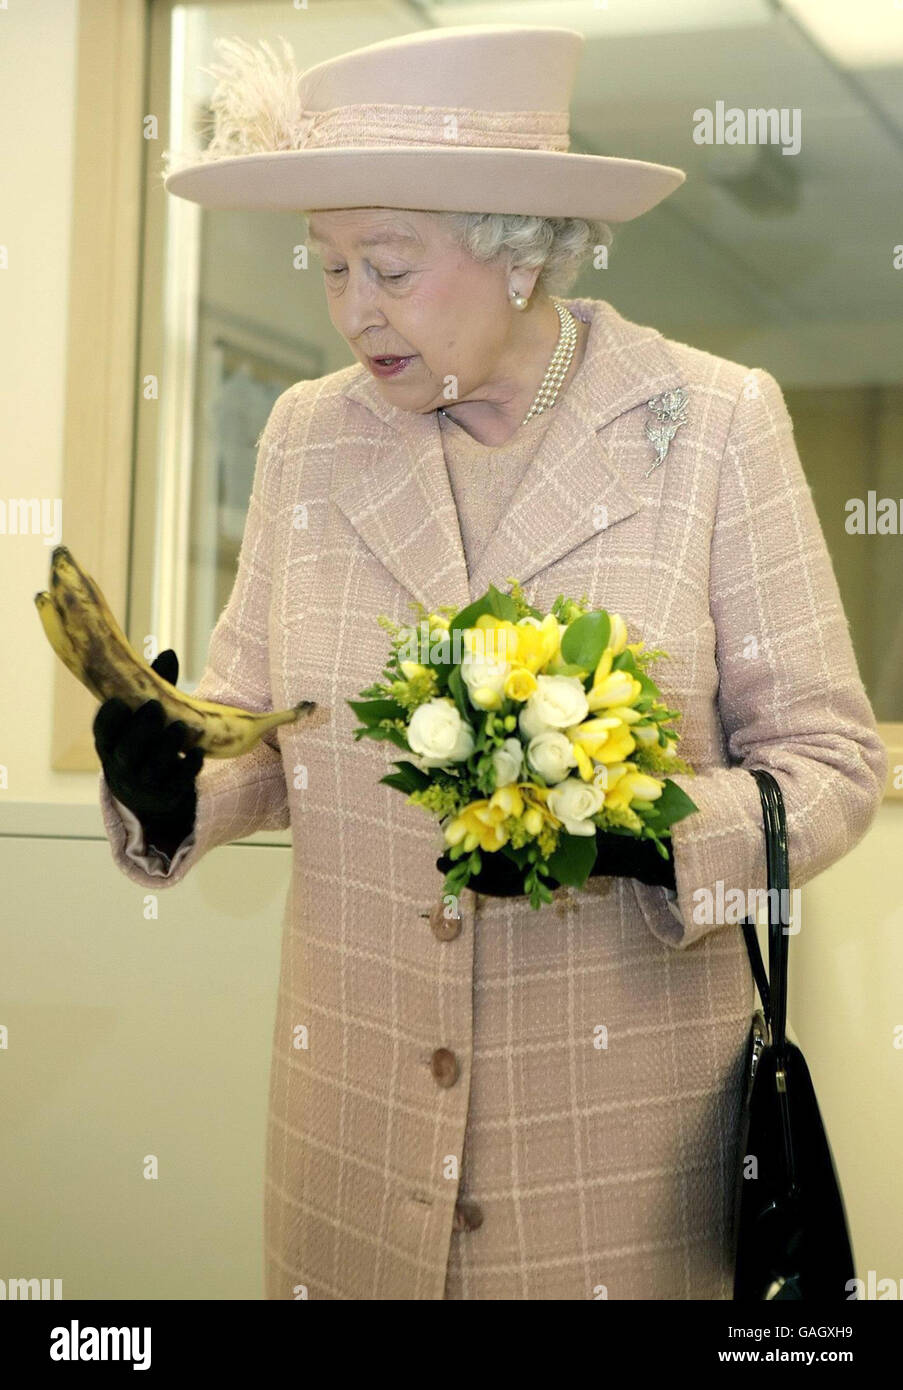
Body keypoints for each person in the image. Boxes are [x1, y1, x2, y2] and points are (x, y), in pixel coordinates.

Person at [94, 25, 887, 1300]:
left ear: (520, 249)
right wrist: (180, 775)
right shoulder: (309, 436)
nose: (354, 308)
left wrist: (659, 832)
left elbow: (834, 765)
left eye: (391, 267)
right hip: (351, 1155)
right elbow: (260, 719)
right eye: (332, 265)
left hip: (615, 1178)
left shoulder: (714, 425)